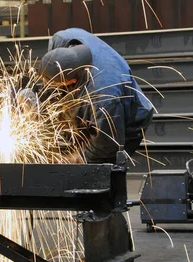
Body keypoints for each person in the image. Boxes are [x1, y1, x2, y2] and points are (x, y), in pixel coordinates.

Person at [39, 28, 154, 164]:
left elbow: (106, 146)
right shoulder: (62, 40)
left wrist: (74, 160)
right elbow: (54, 71)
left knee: (101, 165)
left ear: (72, 81)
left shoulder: (104, 96)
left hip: (128, 117)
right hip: (104, 96)